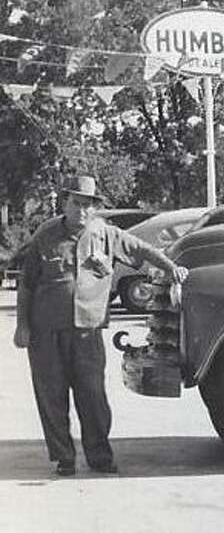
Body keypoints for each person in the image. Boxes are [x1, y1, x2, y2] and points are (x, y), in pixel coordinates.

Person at [12, 176, 188, 476]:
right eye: (76, 203)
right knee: (51, 396)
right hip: (46, 331)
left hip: (87, 331)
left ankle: (99, 457)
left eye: (88, 205)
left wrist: (172, 268)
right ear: (64, 203)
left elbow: (142, 249)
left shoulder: (106, 234)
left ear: (95, 209)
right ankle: (64, 458)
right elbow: (27, 284)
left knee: (92, 395)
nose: (82, 210)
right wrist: (22, 326)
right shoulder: (46, 234)